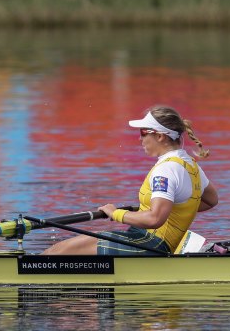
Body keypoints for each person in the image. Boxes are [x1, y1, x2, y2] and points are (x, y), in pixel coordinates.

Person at [43, 106, 219, 255]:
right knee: (70, 249)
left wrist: (115, 213)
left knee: (56, 251)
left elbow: (154, 219)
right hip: (148, 239)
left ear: (160, 136)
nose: (140, 138)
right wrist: (172, 208)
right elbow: (211, 200)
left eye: (143, 133)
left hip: (149, 244)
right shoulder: (190, 165)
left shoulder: (166, 169)